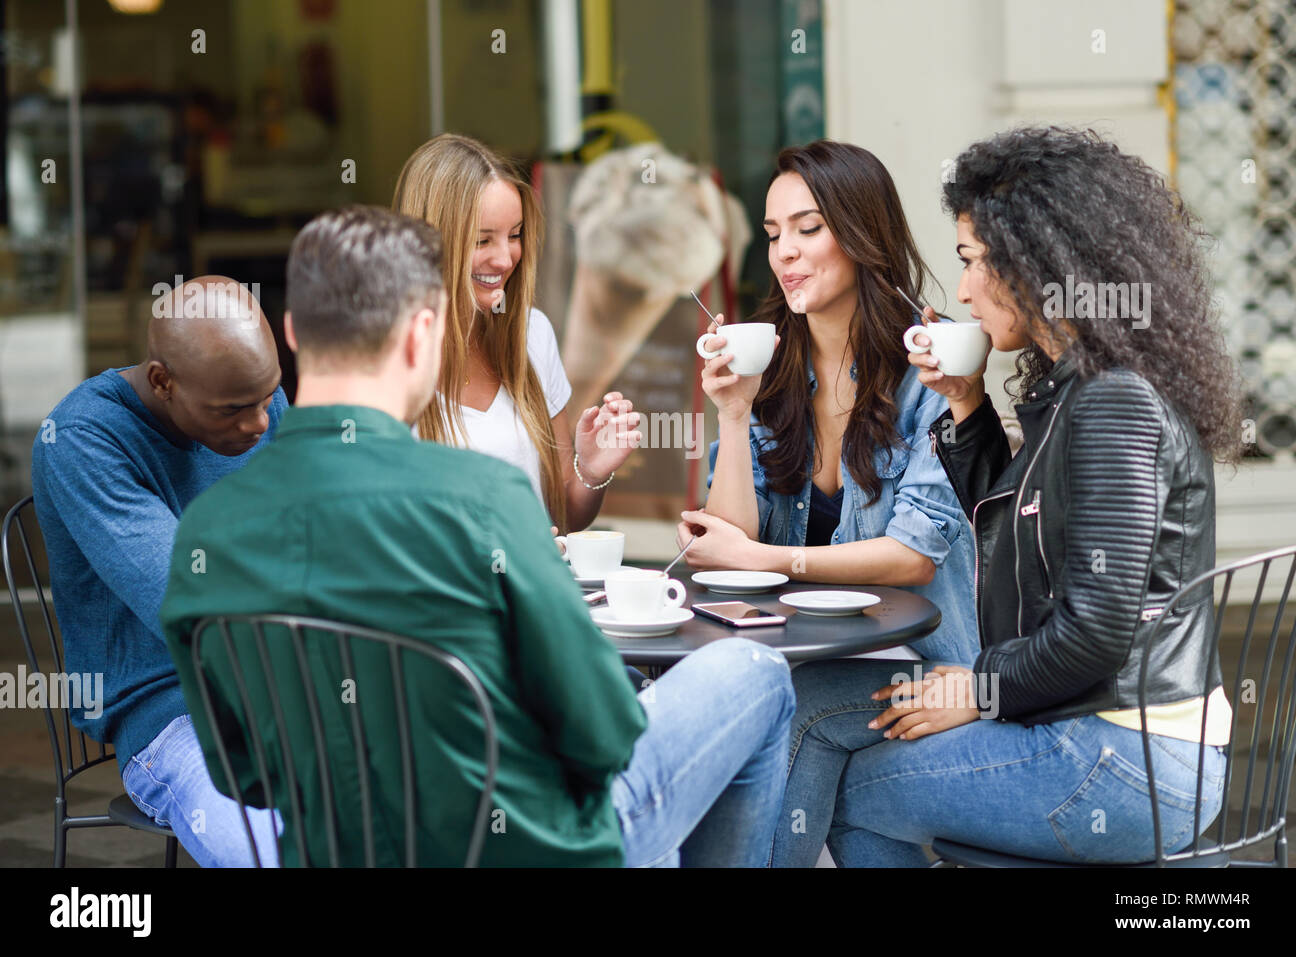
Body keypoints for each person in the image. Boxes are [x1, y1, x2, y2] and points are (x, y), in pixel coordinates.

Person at [159, 206, 795, 867]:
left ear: (292, 333)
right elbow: (603, 734)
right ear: (422, 334)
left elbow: (246, 775)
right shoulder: (483, 497)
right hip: (532, 850)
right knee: (756, 669)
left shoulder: (210, 531)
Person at [773, 126, 1237, 867]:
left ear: (1037, 262)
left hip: (1125, 757)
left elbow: (1096, 630)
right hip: (1101, 735)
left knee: (859, 792)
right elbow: (1017, 518)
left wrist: (979, 690)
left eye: (972, 262)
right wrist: (966, 404)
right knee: (820, 707)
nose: (960, 290)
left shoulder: (1115, 402)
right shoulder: (1078, 387)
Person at [679, 141, 978, 667]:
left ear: (863, 233)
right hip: (794, 654)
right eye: (773, 235)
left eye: (807, 228)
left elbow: (914, 558)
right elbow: (731, 545)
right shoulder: (767, 360)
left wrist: (764, 559)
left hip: (916, 663)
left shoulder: (933, 361)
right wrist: (732, 411)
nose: (783, 252)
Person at [30, 275, 285, 867]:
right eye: (233, 410)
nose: (260, 426)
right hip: (175, 709)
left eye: (269, 396)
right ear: (162, 381)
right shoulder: (83, 439)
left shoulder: (254, 399)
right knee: (270, 853)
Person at [392, 133, 640, 534]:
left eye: (515, 234)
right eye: (482, 240)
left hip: (531, 590)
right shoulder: (387, 356)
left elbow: (563, 517)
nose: (505, 258)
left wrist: (592, 470)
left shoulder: (531, 333)